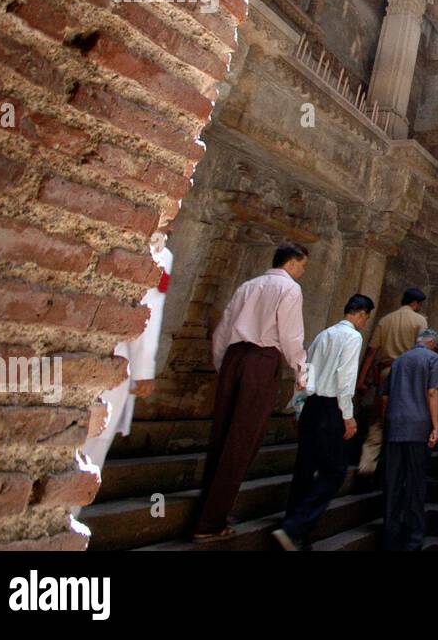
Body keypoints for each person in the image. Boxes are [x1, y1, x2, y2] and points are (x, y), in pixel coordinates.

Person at [193, 242, 309, 541]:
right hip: (261, 360)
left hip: (234, 356)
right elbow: (291, 335)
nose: (303, 272)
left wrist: (225, 364)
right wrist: (301, 370)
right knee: (243, 439)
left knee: (222, 434)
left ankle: (208, 510)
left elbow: (224, 327)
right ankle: (210, 522)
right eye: (303, 265)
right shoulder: (290, 289)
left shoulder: (249, 285)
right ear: (293, 263)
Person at [274, 293, 373, 550]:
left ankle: (293, 528)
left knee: (305, 468)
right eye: (365, 318)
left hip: (312, 405)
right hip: (331, 408)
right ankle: (294, 527)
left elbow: (305, 371)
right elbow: (346, 378)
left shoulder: (323, 335)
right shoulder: (352, 337)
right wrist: (348, 416)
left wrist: (298, 408)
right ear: (361, 314)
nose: (364, 322)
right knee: (334, 471)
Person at [82, 231, 173, 475]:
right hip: (115, 355)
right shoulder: (158, 253)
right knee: (92, 444)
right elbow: (148, 311)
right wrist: (144, 370)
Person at [380, 328, 438, 550]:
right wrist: (435, 425)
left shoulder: (398, 361)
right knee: (416, 482)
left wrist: (387, 421)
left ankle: (390, 534)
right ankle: (413, 537)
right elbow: (432, 392)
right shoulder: (432, 358)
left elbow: (385, 397)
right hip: (418, 426)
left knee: (393, 481)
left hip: (395, 426)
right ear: (432, 343)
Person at [356, 287, 428, 476]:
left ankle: (367, 464)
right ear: (416, 304)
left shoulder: (385, 320)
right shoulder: (420, 321)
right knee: (403, 419)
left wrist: (361, 379)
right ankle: (393, 468)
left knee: (378, 418)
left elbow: (371, 352)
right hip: (408, 374)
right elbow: (423, 352)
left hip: (385, 371)